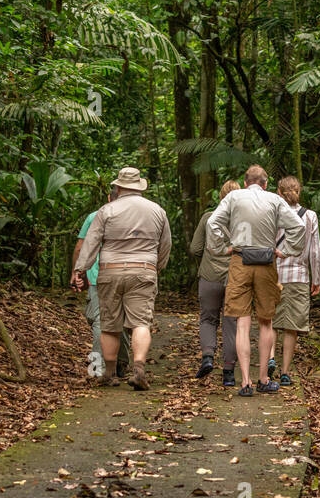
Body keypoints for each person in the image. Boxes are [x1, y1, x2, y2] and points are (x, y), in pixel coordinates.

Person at [207, 164, 305, 396]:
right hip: (266, 262)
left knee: (242, 322)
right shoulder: (274, 200)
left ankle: (245, 383)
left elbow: (213, 223)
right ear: (265, 183)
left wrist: (222, 248)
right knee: (266, 321)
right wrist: (287, 250)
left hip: (240, 261)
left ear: (244, 182)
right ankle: (263, 379)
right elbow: (298, 226)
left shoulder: (233, 197)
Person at [73, 167, 172, 390]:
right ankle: (138, 369)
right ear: (139, 187)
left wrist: (81, 269)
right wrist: (157, 266)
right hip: (143, 270)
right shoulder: (157, 211)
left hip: (110, 271)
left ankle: (108, 373)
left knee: (109, 325)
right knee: (140, 322)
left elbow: (91, 242)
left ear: (118, 187)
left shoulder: (106, 210)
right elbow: (165, 244)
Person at [71, 188, 131, 380]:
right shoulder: (134, 216)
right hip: (128, 275)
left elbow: (81, 246)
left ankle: (98, 367)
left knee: (100, 320)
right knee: (120, 319)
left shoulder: (95, 216)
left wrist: (77, 271)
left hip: (100, 275)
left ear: (108, 198)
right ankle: (121, 362)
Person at [190, 179, 241, 386]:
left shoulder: (208, 218)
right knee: (232, 322)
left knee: (208, 319)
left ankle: (208, 357)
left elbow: (195, 248)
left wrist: (208, 258)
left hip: (209, 276)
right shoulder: (243, 223)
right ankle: (228, 372)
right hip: (235, 277)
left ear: (220, 197)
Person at [271, 175, 320, 386]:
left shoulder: (273, 215)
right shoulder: (309, 216)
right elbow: (315, 251)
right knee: (291, 327)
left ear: (279, 193)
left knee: (271, 322)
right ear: (298, 192)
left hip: (274, 275)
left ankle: (270, 359)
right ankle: (284, 372)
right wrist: (316, 278)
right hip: (299, 276)